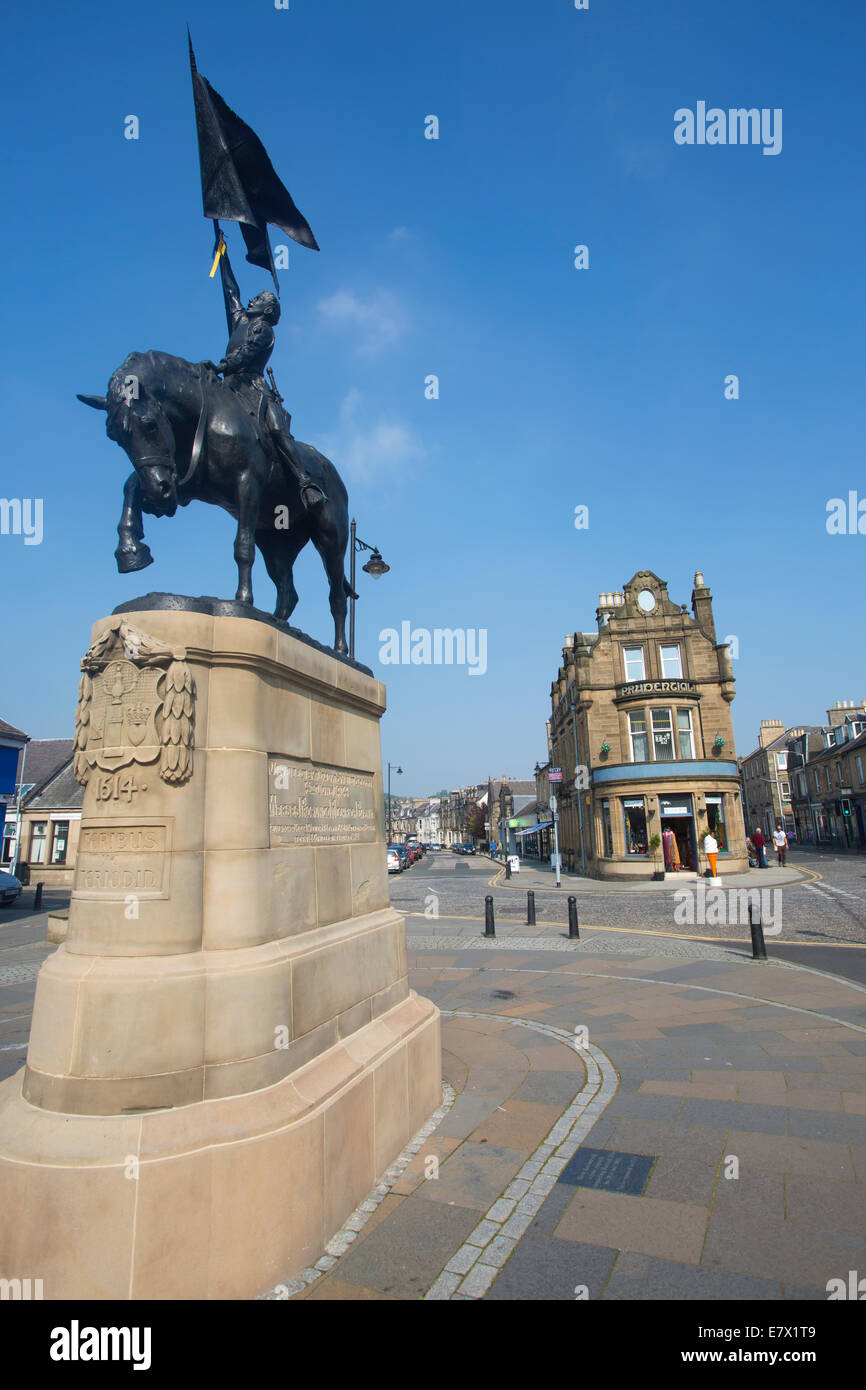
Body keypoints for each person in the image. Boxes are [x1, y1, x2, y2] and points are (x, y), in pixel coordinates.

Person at [209, 232, 327, 512]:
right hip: (230, 386)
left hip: (254, 388)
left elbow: (247, 353)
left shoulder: (264, 330)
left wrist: (223, 366)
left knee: (277, 429)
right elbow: (231, 293)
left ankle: (304, 482)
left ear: (268, 309)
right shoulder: (239, 320)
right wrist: (222, 256)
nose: (252, 300)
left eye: (259, 298)